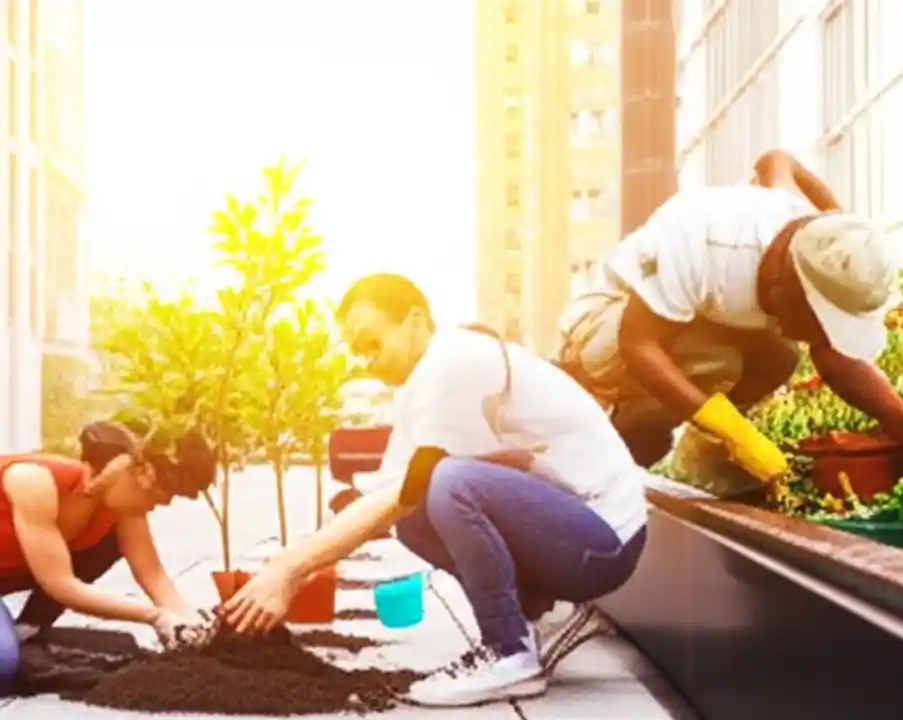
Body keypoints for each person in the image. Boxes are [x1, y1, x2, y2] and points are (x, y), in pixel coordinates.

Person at [223, 273, 649, 708]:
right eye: (357, 351)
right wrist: (293, 565)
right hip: (570, 534)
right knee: (416, 515)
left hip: (605, 539)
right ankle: (537, 622)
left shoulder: (456, 359)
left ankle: (509, 653)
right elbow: (381, 496)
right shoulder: (417, 392)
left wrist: (290, 568)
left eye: (373, 342)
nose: (367, 360)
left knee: (447, 483)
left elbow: (408, 488)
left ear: (415, 321)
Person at [554, 149, 903, 499]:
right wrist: (738, 434)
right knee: (719, 361)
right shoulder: (702, 238)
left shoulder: (808, 237)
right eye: (821, 318)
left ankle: (701, 463)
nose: (822, 333)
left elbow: (777, 160)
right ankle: (631, 428)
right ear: (786, 288)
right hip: (600, 335)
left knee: (779, 357)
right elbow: (639, 345)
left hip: (689, 329)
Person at [0, 421, 221, 691]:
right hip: (42, 579)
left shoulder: (121, 507)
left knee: (106, 543)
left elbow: (154, 576)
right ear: (132, 470)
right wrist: (154, 616)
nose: (160, 503)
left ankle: (25, 633)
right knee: (3, 662)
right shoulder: (32, 481)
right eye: (156, 492)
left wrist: (189, 621)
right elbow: (60, 585)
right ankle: (14, 644)